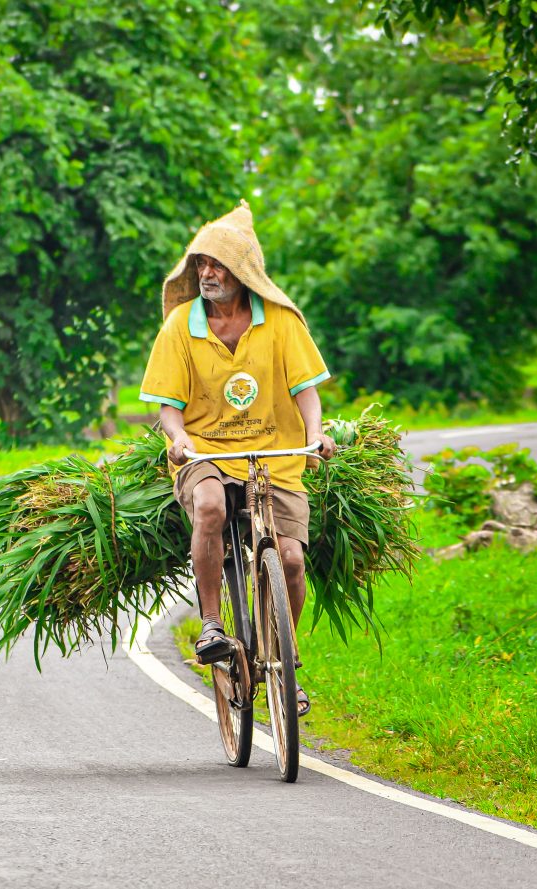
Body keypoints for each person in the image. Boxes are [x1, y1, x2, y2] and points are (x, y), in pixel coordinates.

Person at [139, 200, 335, 716]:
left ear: (243, 272)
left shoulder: (281, 323)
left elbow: (306, 391)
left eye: (217, 264)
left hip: (276, 455)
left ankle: (283, 662)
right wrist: (178, 439)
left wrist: (315, 434)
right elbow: (168, 407)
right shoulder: (182, 325)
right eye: (200, 263)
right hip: (203, 452)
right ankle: (210, 625)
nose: (206, 272)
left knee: (291, 561)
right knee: (209, 507)